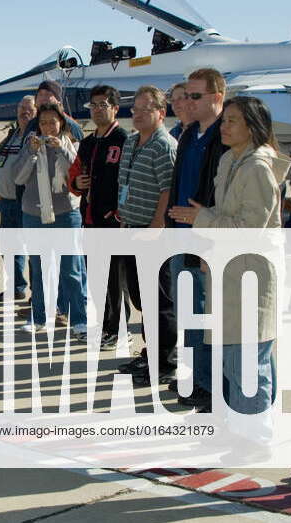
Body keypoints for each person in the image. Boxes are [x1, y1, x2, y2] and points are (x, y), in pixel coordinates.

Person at [168, 96, 290, 449]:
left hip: (251, 276)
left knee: (248, 362)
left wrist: (201, 219)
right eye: (225, 121)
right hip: (228, 273)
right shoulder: (229, 160)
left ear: (251, 127)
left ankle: (255, 439)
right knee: (232, 361)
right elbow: (225, 215)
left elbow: (250, 226)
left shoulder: (258, 168)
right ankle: (240, 428)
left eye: (232, 121)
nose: (224, 126)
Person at [164, 67, 228, 412]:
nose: (186, 101)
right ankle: (197, 379)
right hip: (180, 238)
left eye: (194, 95)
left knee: (206, 317)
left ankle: (210, 386)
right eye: (185, 95)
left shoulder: (224, 138)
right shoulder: (189, 136)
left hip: (207, 241)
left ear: (217, 98)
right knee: (188, 314)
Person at [113, 86, 179, 387]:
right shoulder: (131, 142)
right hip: (130, 229)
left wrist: (156, 226)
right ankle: (150, 351)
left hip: (151, 233)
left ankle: (165, 361)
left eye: (144, 109)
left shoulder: (164, 145)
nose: (136, 114)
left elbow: (168, 189)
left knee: (157, 300)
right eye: (135, 108)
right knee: (141, 297)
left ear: (161, 113)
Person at [12, 102, 86, 335]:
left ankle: (79, 319)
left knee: (70, 269)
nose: (47, 127)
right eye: (42, 123)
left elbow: (78, 173)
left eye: (52, 122)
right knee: (40, 269)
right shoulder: (30, 145)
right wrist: (32, 153)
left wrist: (62, 150)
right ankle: (40, 317)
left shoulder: (71, 145)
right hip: (35, 214)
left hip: (66, 214)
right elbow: (18, 178)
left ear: (61, 123)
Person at [68, 85, 128, 348]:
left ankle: (116, 330)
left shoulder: (124, 139)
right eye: (93, 105)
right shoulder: (89, 142)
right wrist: (77, 184)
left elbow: (128, 181)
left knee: (114, 279)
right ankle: (104, 325)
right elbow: (74, 174)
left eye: (103, 104)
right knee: (96, 276)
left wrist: (118, 212)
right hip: (89, 219)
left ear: (115, 108)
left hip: (111, 220)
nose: (97, 109)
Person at [0, 95, 36, 301]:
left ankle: (39, 297)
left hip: (25, 202)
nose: (24, 112)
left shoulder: (33, 136)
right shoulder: (13, 135)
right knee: (9, 247)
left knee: (32, 250)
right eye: (21, 108)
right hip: (6, 201)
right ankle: (16, 287)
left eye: (29, 109)